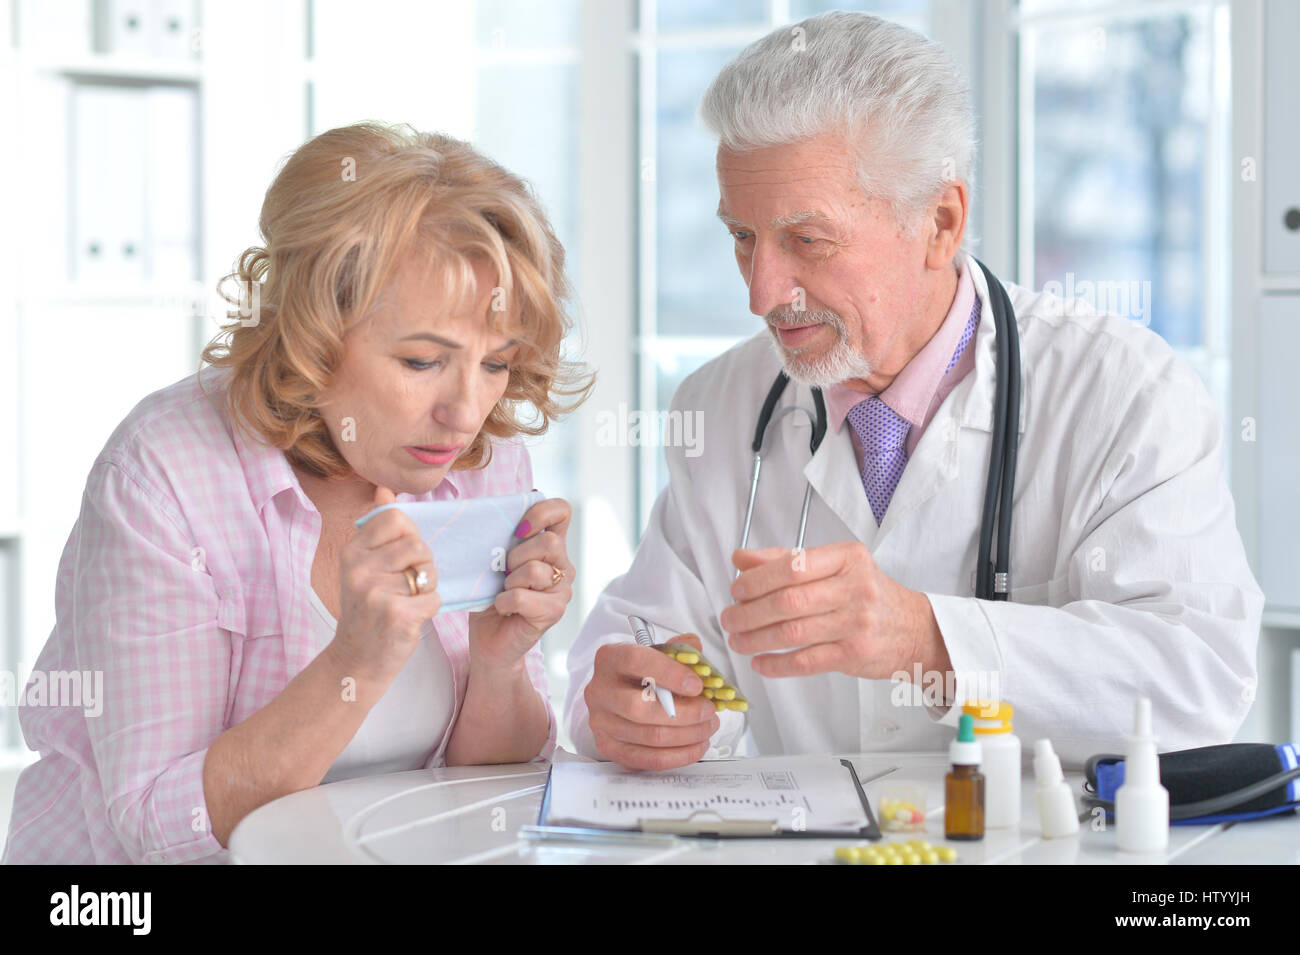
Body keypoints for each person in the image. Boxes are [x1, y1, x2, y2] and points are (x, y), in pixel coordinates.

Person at [564, 11, 1262, 771]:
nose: (763, 293)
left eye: (807, 240)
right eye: (742, 236)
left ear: (941, 221)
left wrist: (925, 638)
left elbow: (1198, 681)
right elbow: (635, 643)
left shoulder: (1125, 394)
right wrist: (632, 708)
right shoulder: (720, 406)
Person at [3, 122, 591, 864]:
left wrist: (502, 661)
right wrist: (356, 662)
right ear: (313, 331)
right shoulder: (166, 472)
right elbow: (155, 825)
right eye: (420, 361)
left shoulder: (481, 456)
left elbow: (490, 790)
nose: (466, 410)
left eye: (498, 364)